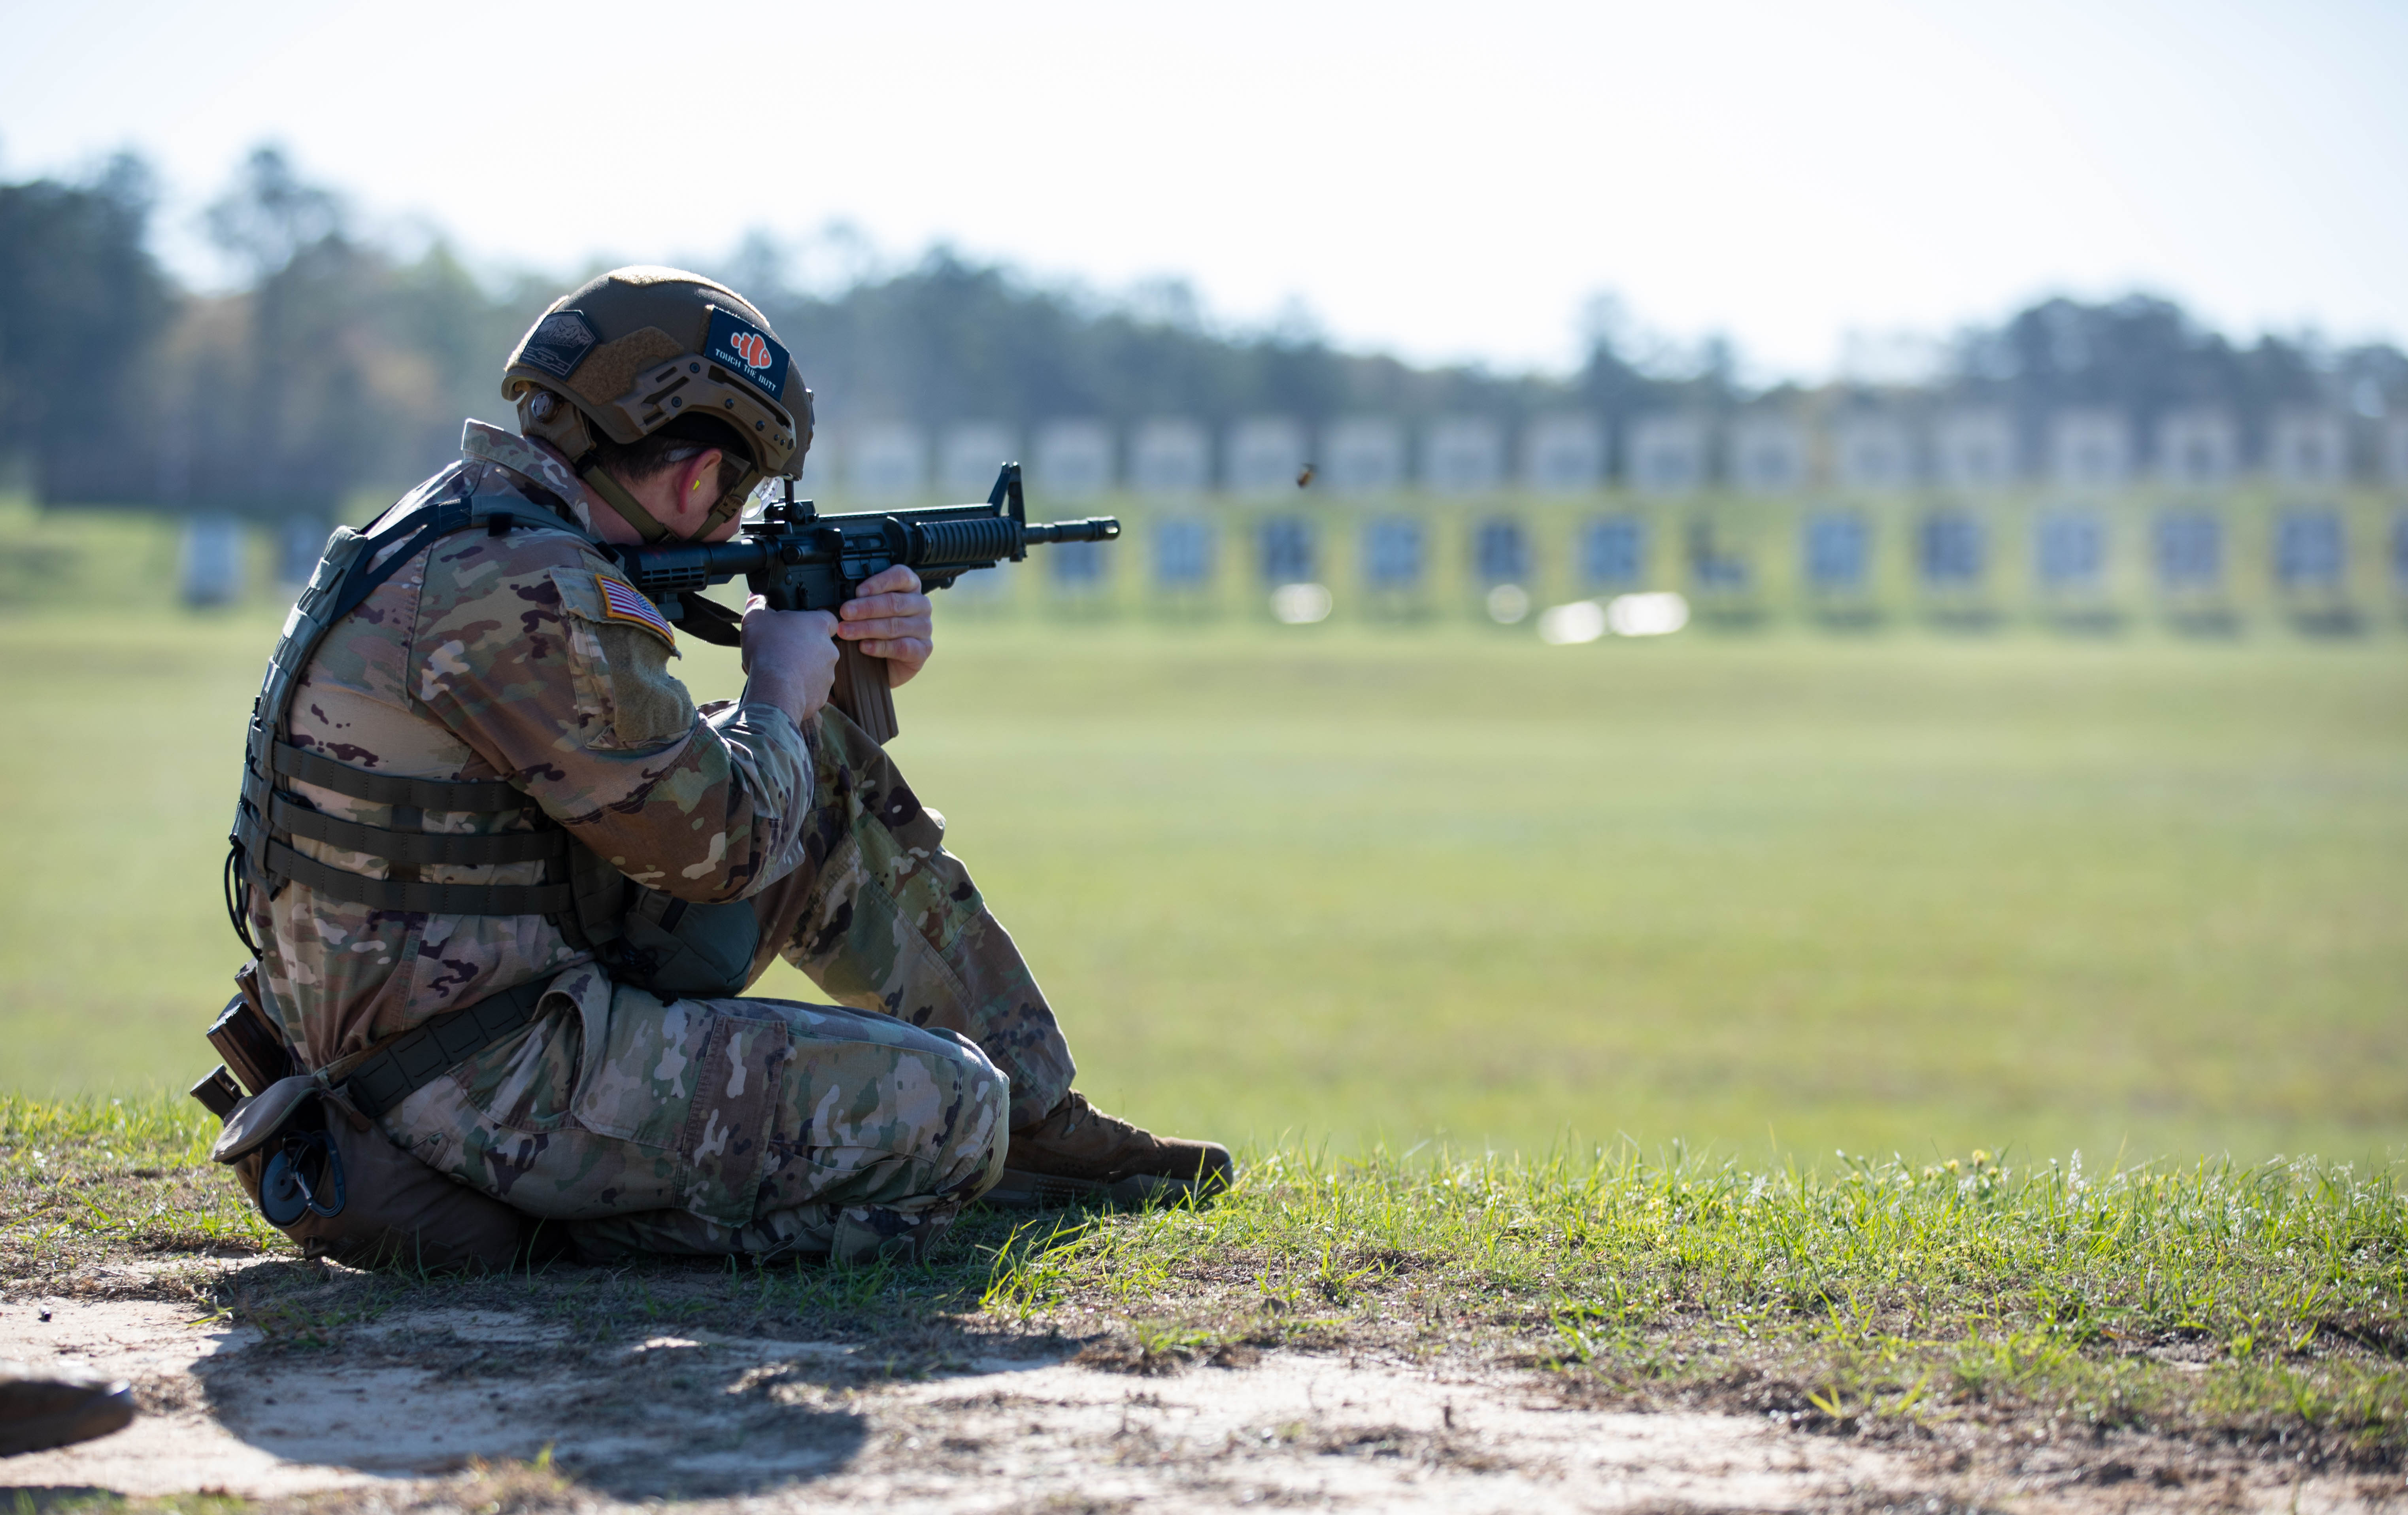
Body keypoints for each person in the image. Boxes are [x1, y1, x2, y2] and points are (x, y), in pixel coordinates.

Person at [225, 266, 1229, 1266]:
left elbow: (665, 790)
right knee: (959, 1110)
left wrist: (830, 686)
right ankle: (575, 1228)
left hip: (453, 1018)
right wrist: (778, 687)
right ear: (702, 473)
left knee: (826, 768)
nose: (734, 519)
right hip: (485, 1084)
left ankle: (1045, 1127)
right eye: (739, 491)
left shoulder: (469, 526)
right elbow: (726, 850)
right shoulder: (527, 587)